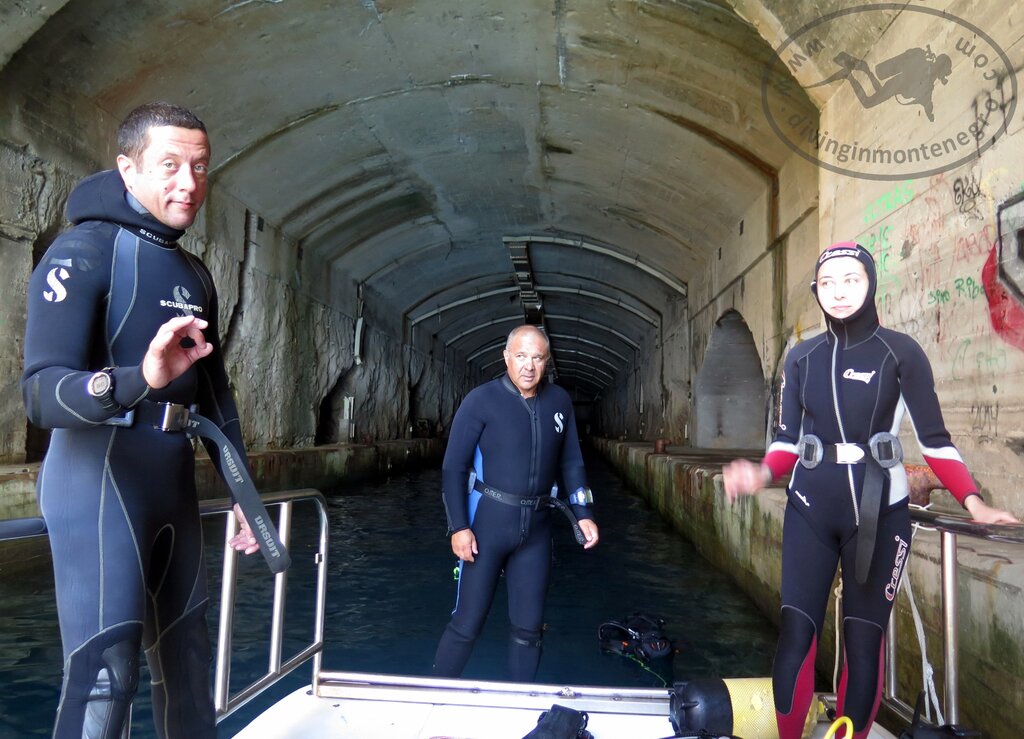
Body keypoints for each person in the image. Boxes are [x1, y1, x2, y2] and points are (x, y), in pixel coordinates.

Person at [21, 102, 263, 739]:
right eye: (170, 165)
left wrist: (242, 494)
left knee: (188, 666)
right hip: (97, 483)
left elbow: (215, 395)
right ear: (128, 169)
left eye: (200, 167)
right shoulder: (82, 252)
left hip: (172, 483)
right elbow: (41, 395)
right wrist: (139, 379)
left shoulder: (194, 272)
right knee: (107, 676)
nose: (189, 183)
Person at [721, 242, 1017, 739]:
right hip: (810, 508)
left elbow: (936, 443)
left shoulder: (901, 352)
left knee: (863, 641)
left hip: (880, 512)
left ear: (871, 284)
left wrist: (975, 504)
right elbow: (787, 442)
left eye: (851, 280)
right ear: (817, 290)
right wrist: (762, 473)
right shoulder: (802, 358)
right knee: (796, 633)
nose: (838, 292)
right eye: (827, 283)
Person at [432, 325, 600, 681]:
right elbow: (453, 467)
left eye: (537, 358)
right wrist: (459, 527)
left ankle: (521, 701)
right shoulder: (481, 400)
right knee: (466, 624)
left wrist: (583, 513)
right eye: (521, 356)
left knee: (529, 630)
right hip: (486, 529)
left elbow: (572, 461)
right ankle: (436, 697)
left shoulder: (559, 401)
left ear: (546, 361)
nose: (529, 366)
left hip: (536, 532)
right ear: (506, 357)